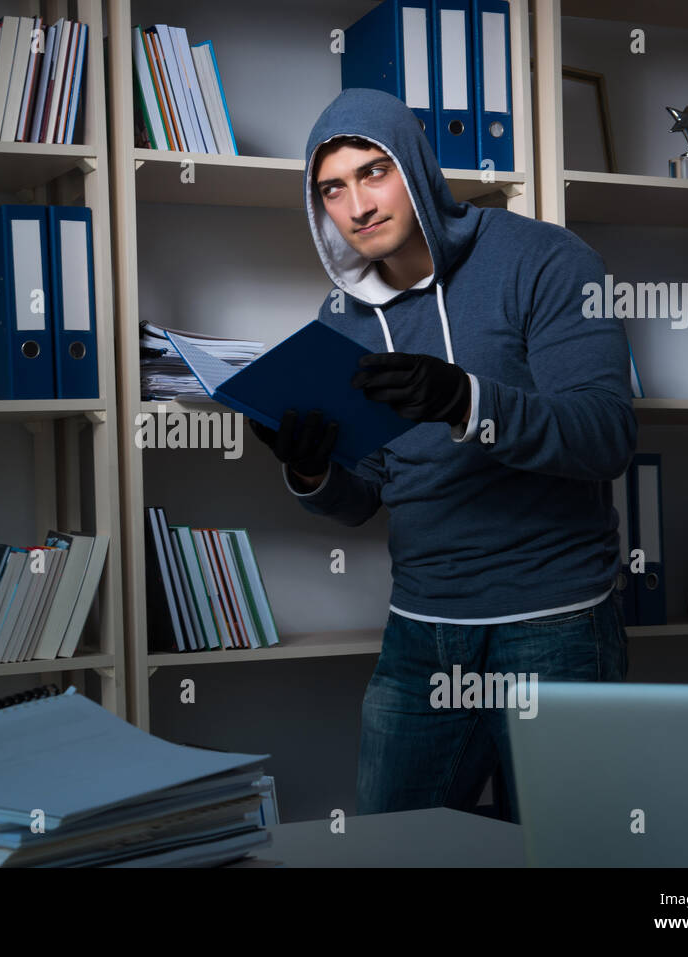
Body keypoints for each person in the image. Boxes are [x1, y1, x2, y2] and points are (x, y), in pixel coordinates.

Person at [249, 88, 635, 823]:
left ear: (418, 169)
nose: (357, 205)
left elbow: (606, 434)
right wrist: (309, 470)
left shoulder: (545, 258)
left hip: (554, 624)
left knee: (571, 850)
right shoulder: (339, 320)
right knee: (394, 848)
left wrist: (465, 400)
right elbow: (362, 496)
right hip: (420, 631)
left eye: (374, 172)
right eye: (333, 189)